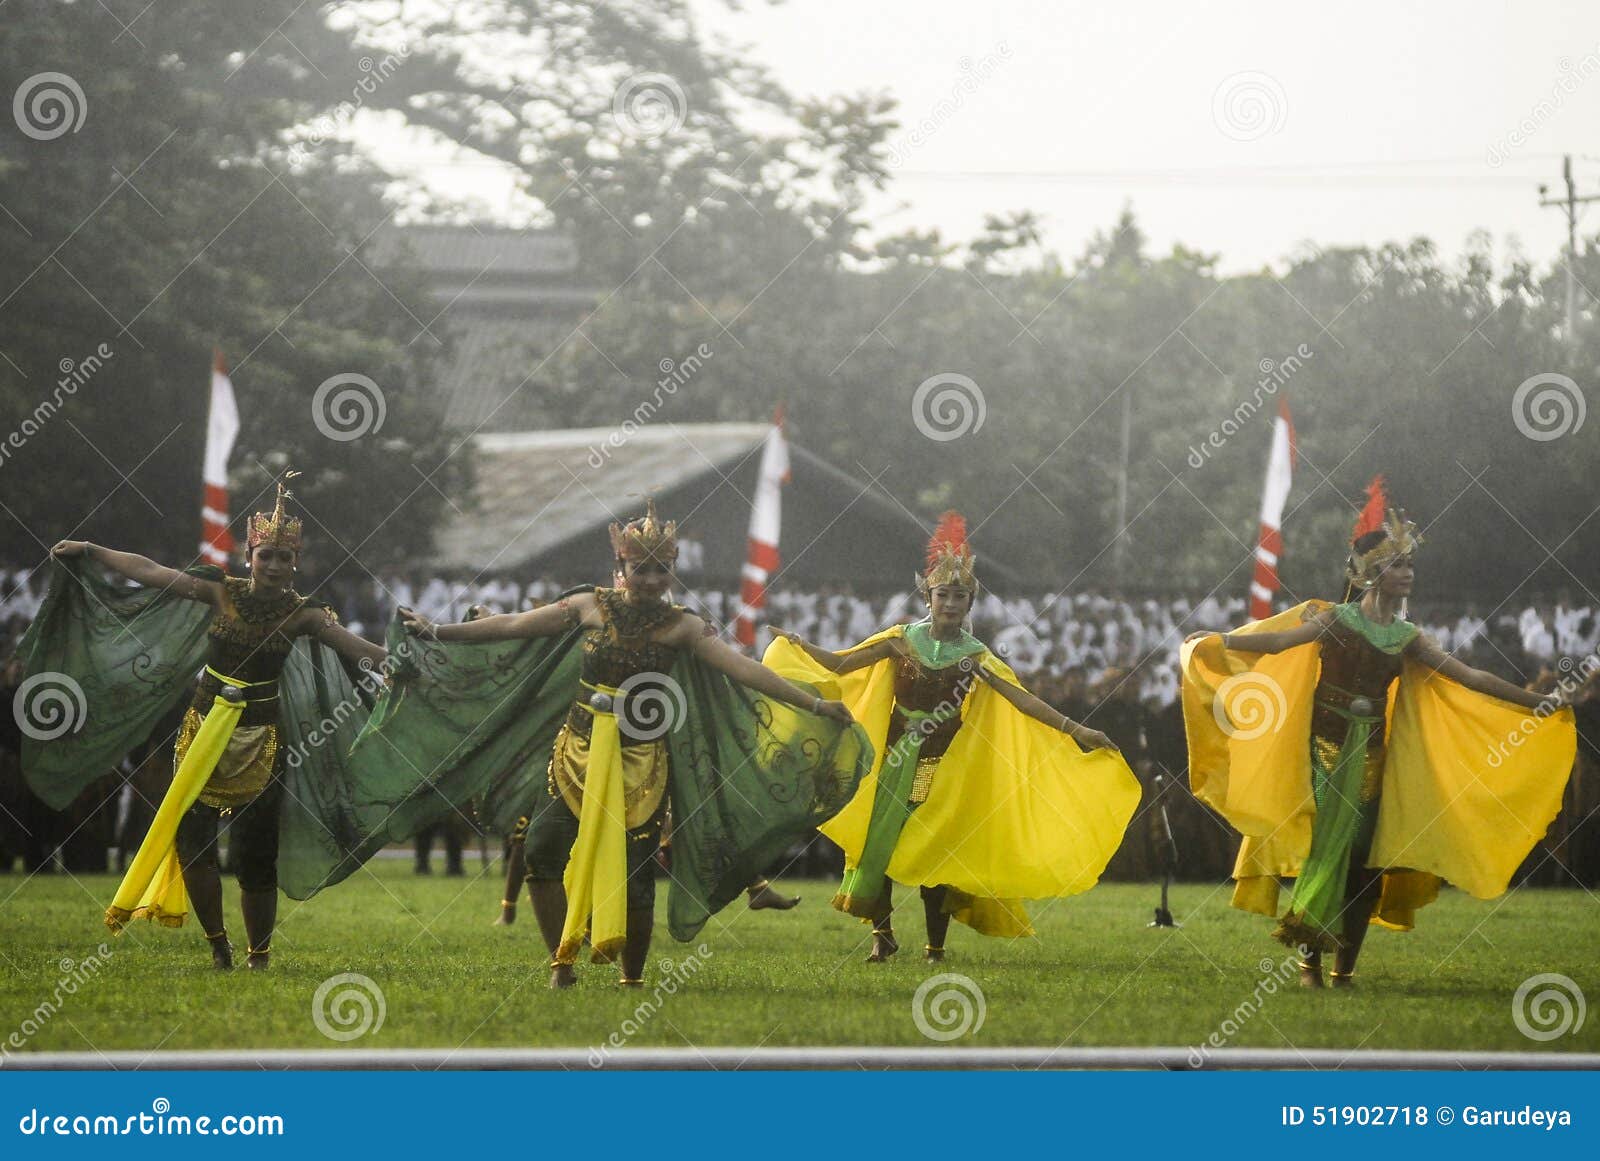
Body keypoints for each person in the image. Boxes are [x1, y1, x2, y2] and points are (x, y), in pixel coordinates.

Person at [387, 499, 868, 988]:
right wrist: (438, 630)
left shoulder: (683, 626)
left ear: (673, 571)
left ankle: (632, 979)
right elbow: (513, 626)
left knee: (637, 876)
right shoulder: (587, 605)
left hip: (641, 762)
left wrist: (815, 707)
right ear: (621, 567)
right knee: (542, 849)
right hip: (576, 750)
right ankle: (562, 964)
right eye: (641, 569)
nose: (652, 580)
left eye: (662, 570)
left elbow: (746, 671)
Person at [1182, 484, 1577, 988]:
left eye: (1410, 565)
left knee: (1366, 860)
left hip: (1372, 752)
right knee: (1332, 848)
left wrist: (1540, 703)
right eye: (1397, 564)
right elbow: (1279, 641)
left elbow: (1470, 677)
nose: (1408, 573)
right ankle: (1308, 965)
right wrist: (1217, 642)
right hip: (1323, 749)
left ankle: (1343, 969)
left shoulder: (1408, 637)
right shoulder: (1335, 620)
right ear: (1372, 572)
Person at [30, 474, 387, 969]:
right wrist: (92, 549)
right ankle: (218, 945)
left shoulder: (304, 615)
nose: (276, 566)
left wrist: (405, 659)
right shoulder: (220, 593)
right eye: (267, 556)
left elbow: (362, 651)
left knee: (256, 854)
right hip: (201, 731)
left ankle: (258, 955)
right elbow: (152, 572)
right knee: (193, 841)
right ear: (250, 556)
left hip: (263, 739)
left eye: (285, 558)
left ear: (295, 563)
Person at [767, 511, 1141, 962]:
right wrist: (799, 646)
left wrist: (1079, 729)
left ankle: (935, 946)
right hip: (892, 758)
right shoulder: (900, 639)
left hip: (943, 767)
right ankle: (882, 936)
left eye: (959, 596)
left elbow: (1022, 700)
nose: (950, 603)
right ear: (927, 595)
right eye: (942, 594)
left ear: (970, 603)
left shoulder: (977, 655)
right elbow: (842, 665)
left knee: (937, 857)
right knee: (877, 847)